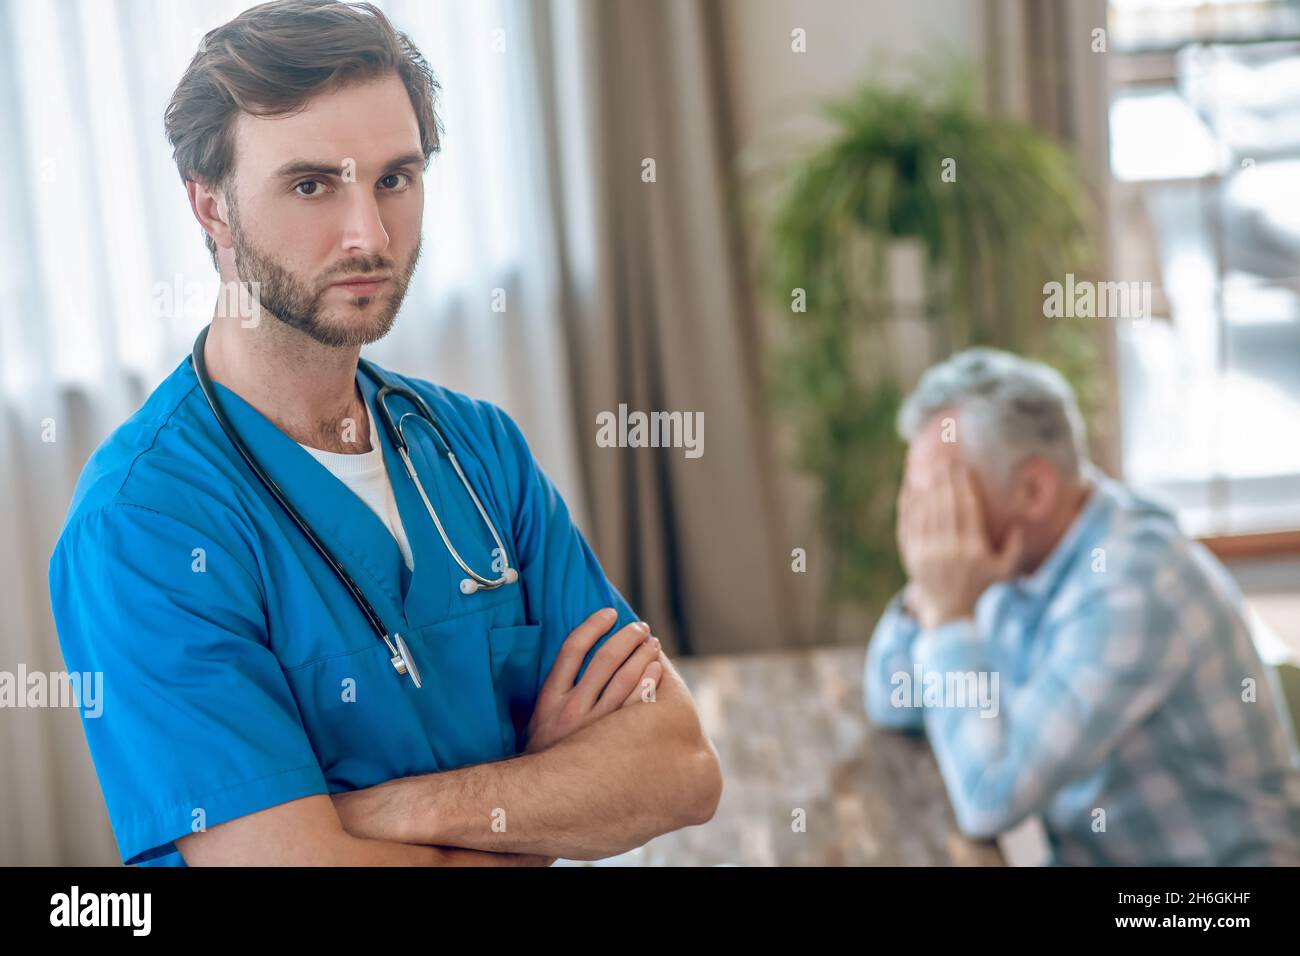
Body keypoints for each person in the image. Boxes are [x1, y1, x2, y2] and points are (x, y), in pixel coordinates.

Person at [48, 0, 720, 867]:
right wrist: (543, 796)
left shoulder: (479, 451)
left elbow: (679, 767)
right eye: (311, 184)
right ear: (210, 209)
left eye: (395, 179)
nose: (368, 234)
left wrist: (374, 815)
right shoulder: (144, 527)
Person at [864, 347, 1300, 864]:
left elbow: (988, 797)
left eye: (939, 491)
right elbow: (894, 703)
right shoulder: (1004, 562)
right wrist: (928, 602)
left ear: (1033, 490)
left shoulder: (1132, 586)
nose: (920, 516)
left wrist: (948, 616)